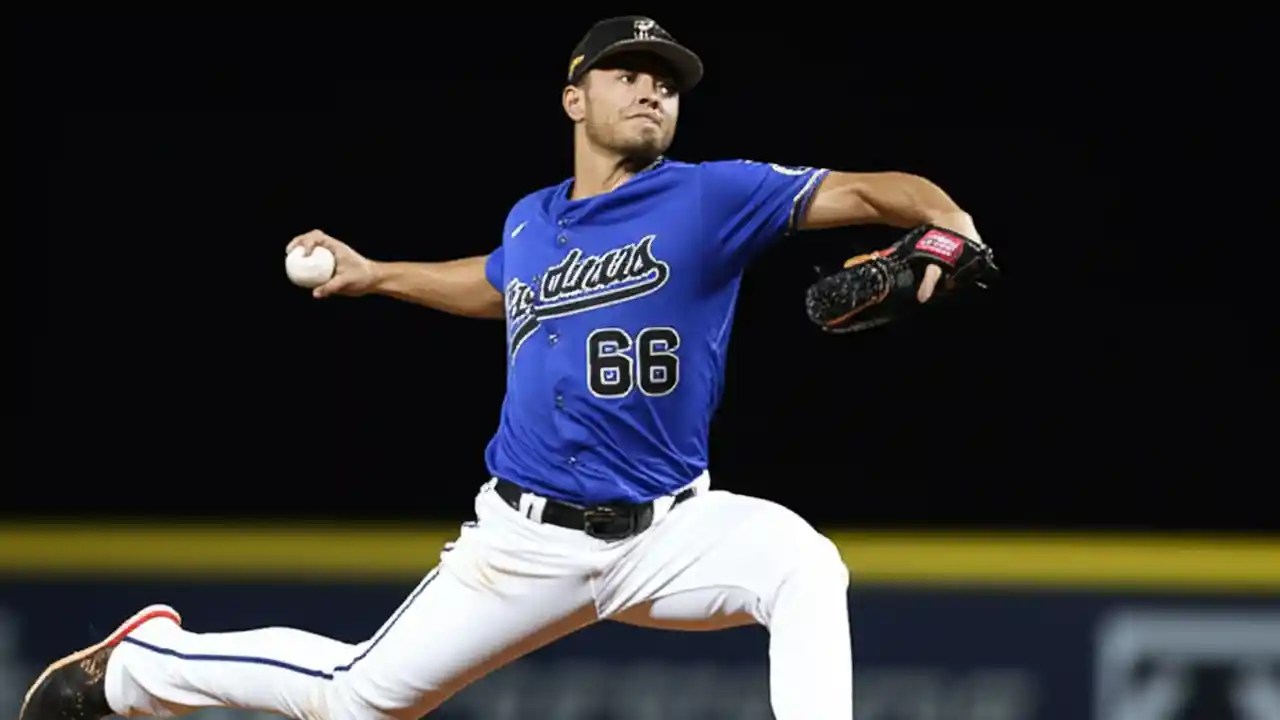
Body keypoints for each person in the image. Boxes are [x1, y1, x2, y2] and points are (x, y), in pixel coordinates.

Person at [21, 15, 984, 720]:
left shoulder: (712, 197)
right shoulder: (532, 219)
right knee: (360, 699)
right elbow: (499, 285)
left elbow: (868, 189)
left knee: (806, 570)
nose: (653, 89)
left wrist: (950, 222)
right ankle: (145, 667)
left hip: (673, 530)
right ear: (575, 98)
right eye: (628, 72)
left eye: (667, 80)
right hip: (527, 544)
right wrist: (377, 275)